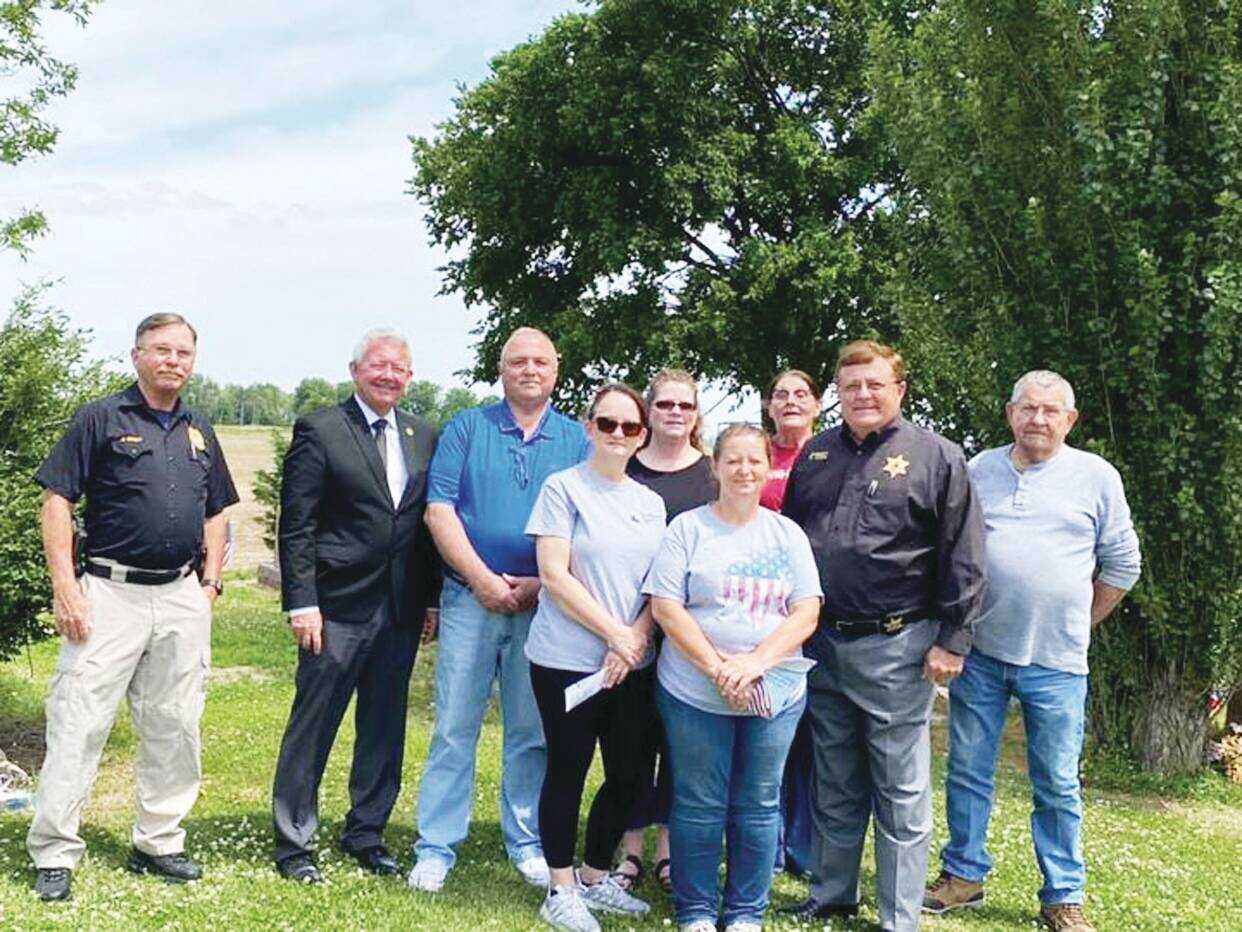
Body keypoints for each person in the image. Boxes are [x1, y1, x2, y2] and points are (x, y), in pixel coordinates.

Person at [27, 313, 238, 901]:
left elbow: (217, 511)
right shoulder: (101, 418)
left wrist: (210, 583)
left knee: (175, 723)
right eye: (162, 350)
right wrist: (66, 586)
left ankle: (159, 842)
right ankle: (54, 850)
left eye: (184, 353)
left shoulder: (200, 428)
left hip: (180, 595)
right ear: (137, 355)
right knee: (79, 720)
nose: (173, 361)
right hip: (108, 593)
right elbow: (57, 500)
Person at [780, 339, 986, 932]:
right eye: (851, 386)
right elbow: (791, 546)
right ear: (836, 394)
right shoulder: (815, 456)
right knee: (835, 780)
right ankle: (833, 894)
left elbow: (966, 554)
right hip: (823, 645)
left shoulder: (937, 457)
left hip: (899, 646)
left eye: (875, 385)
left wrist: (955, 640)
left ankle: (898, 917)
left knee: (900, 788)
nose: (863, 395)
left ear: (898, 389)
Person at [924, 371, 1140, 932]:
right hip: (982, 654)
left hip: (1058, 662)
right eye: (1028, 408)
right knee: (969, 769)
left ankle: (1063, 896)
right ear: (1009, 413)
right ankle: (964, 876)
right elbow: (951, 553)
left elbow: (1122, 563)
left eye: (1051, 411)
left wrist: (1079, 622)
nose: (1038, 419)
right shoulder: (978, 470)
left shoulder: (1096, 476)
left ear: (1070, 420)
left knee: (1058, 782)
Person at [408, 327, 591, 893]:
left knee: (531, 731)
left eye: (540, 361)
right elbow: (439, 510)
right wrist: (480, 578)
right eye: (518, 361)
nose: (529, 369)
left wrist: (542, 581)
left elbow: (590, 524)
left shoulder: (577, 439)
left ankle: (528, 841)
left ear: (556, 369)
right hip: (470, 600)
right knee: (455, 727)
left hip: (545, 607)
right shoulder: (467, 427)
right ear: (502, 368)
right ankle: (436, 846)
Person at [271, 328, 440, 883]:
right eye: (379, 366)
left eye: (400, 368)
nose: (389, 375)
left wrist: (432, 602)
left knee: (384, 727)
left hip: (399, 608)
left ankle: (366, 833)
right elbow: (297, 525)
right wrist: (302, 602)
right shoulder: (321, 429)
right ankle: (295, 843)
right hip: (335, 608)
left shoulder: (422, 434)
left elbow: (423, 528)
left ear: (410, 377)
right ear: (355, 371)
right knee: (314, 724)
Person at [646, 424, 824, 932]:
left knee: (759, 803)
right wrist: (720, 668)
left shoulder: (786, 533)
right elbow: (667, 607)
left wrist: (755, 663)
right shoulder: (688, 529)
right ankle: (697, 909)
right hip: (694, 692)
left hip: (774, 692)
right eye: (734, 461)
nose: (745, 470)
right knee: (699, 802)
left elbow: (806, 612)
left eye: (754, 461)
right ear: (715, 466)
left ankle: (746, 912)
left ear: (768, 467)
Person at [526, 383, 666, 932]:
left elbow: (660, 585)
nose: (617, 435)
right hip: (566, 659)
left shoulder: (650, 504)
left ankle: (592, 874)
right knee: (568, 768)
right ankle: (559, 889)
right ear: (589, 428)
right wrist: (615, 634)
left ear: (641, 436)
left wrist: (634, 639)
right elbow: (554, 575)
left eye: (629, 427)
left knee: (630, 774)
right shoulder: (563, 489)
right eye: (606, 424)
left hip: (633, 663)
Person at [616, 369, 717, 896]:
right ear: (648, 412)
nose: (675, 413)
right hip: (625, 634)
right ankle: (628, 852)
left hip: (690, 636)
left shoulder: (711, 477)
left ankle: (668, 853)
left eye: (685, 405)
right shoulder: (624, 469)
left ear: (697, 414)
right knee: (631, 748)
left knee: (682, 750)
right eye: (665, 405)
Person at [761, 369, 823, 878]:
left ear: (818, 404)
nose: (790, 401)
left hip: (818, 611)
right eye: (781, 394)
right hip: (761, 614)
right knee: (769, 729)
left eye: (800, 394)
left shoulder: (833, 454)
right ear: (768, 405)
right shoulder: (756, 456)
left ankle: (804, 846)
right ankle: (769, 842)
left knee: (811, 740)